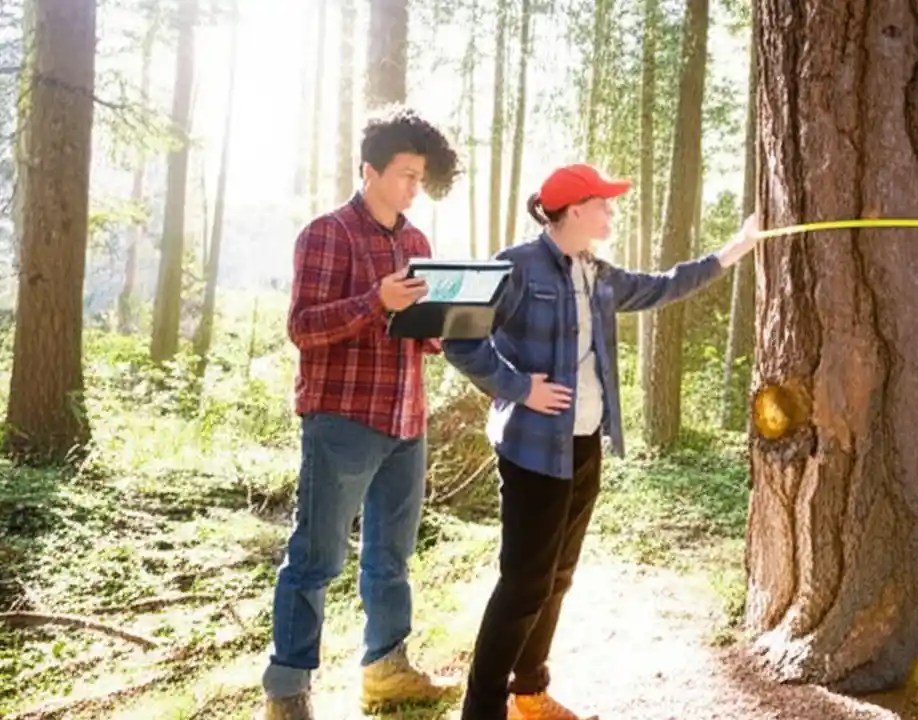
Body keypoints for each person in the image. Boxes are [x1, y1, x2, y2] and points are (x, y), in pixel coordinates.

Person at [443, 163, 759, 720]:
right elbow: (459, 337)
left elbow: (664, 286)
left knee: (558, 576)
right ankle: (482, 712)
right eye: (603, 203)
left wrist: (735, 250)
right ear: (573, 210)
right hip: (531, 450)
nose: (612, 211)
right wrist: (520, 388)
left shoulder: (598, 273)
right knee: (523, 584)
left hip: (584, 445)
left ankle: (529, 692)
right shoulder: (514, 265)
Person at [259, 106, 461, 720]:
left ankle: (386, 670)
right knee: (316, 558)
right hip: (342, 422)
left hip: (407, 422)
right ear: (369, 171)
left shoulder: (417, 243)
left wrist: (449, 319)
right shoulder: (327, 234)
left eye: (420, 177)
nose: (414, 187)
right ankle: (287, 691)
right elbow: (303, 327)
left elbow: (421, 336)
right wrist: (377, 299)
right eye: (405, 175)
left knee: (391, 558)